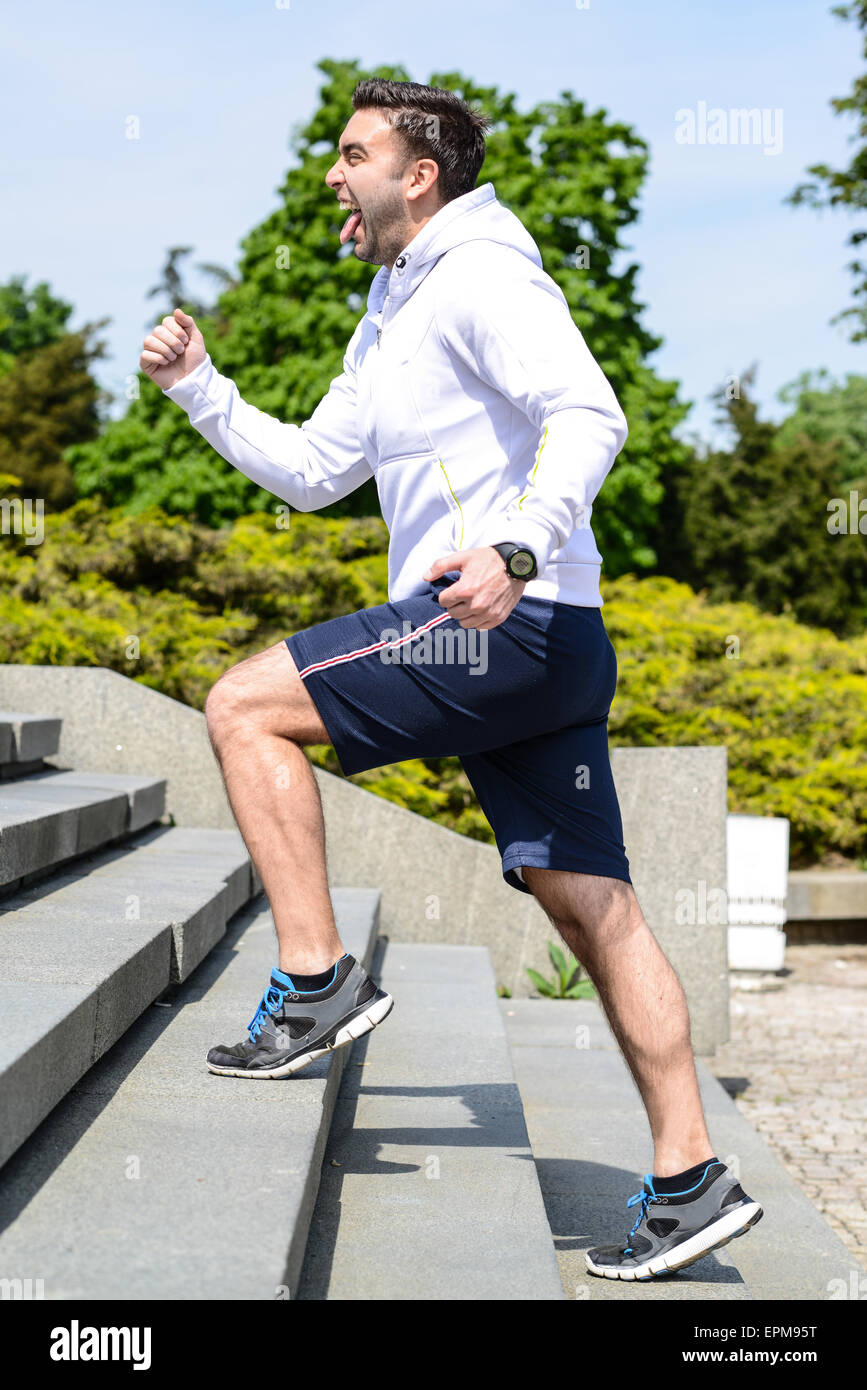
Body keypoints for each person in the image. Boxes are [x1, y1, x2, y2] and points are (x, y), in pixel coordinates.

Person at [141, 78, 762, 1282]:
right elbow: (321, 470)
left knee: (239, 704)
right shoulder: (393, 302)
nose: (335, 175)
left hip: (499, 624)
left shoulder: (481, 275)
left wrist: (518, 546)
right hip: (547, 640)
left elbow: (589, 410)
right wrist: (200, 392)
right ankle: (691, 1176)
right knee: (596, 907)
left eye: (352, 153)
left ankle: (314, 981)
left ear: (417, 176)